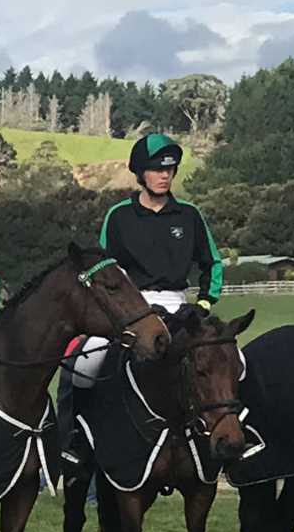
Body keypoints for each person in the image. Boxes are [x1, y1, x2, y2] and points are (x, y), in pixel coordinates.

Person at [70, 133, 222, 390]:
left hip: (181, 309)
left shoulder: (189, 214)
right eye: (157, 169)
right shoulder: (118, 216)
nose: (165, 175)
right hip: (132, 308)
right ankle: (71, 427)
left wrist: (205, 303)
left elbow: (213, 263)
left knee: (234, 361)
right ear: (140, 173)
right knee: (85, 364)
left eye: (169, 169)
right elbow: (104, 271)